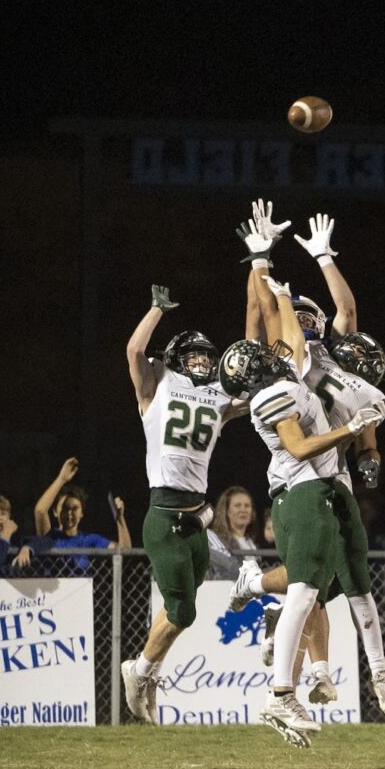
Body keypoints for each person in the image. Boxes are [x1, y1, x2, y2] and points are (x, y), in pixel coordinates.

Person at [234, 202, 385, 717]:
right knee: (311, 579)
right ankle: (266, 605)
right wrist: (260, 262)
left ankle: (372, 675)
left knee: (345, 578)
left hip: (335, 471)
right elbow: (259, 315)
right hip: (297, 472)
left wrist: (326, 258)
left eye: (311, 317)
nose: (303, 321)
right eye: (297, 315)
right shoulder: (287, 361)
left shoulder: (329, 357)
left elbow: (347, 315)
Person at [220, 319, 382, 745]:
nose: (272, 356)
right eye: (261, 359)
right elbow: (296, 447)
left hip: (316, 490)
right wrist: (349, 429)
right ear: (254, 374)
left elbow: (291, 337)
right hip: (301, 491)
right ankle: (281, 693)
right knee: (306, 591)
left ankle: (288, 677)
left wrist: (274, 281)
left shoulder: (286, 383)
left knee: (313, 589)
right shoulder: (273, 394)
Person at [121, 284, 245, 724]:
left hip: (198, 517)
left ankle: (142, 670)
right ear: (175, 358)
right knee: (183, 610)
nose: (202, 362)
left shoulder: (215, 395)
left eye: (206, 357)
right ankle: (140, 673)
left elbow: (252, 402)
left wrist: (268, 372)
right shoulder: (156, 385)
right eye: (193, 355)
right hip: (166, 514)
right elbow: (135, 349)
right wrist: (155, 309)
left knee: (181, 612)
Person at [34, 459, 132, 565]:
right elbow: (40, 511)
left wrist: (120, 519)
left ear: (81, 513)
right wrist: (61, 479)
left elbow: (125, 551)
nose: (70, 512)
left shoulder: (89, 540)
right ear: (55, 511)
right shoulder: (50, 537)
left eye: (75, 508)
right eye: (65, 507)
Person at [0, 492, 46, 574]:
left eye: (3, 513)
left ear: (9, 516)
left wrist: (27, 548)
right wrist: (6, 534)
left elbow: (44, 541)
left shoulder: (13, 535)